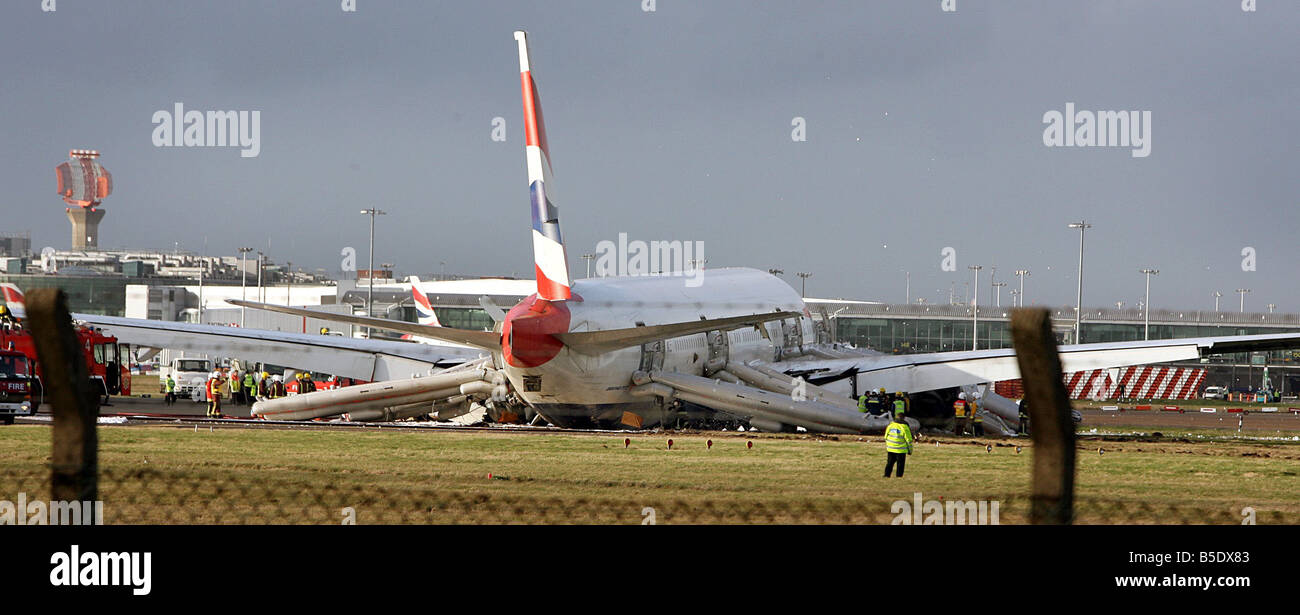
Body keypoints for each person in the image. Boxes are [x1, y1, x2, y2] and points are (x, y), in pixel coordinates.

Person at [883, 408, 914, 478]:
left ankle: (886, 475)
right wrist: (910, 450)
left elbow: (885, 437)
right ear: (903, 418)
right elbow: (908, 440)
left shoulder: (890, 425)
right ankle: (899, 476)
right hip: (901, 450)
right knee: (900, 464)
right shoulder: (905, 427)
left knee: (889, 463)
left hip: (890, 449)